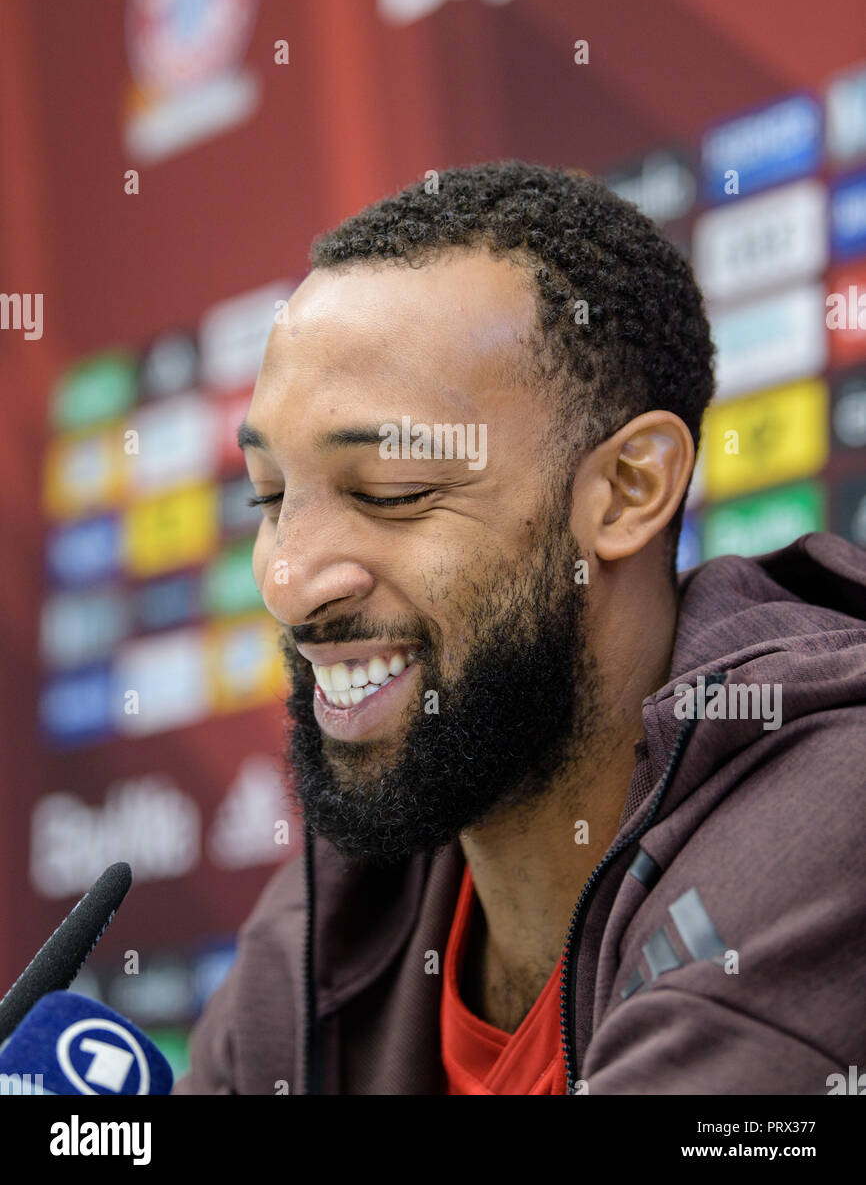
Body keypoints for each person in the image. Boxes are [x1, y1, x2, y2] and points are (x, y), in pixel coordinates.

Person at [174, 160, 866, 1095]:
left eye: (393, 492)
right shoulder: (337, 905)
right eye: (269, 498)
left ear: (627, 491)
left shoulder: (832, 817)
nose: (289, 584)